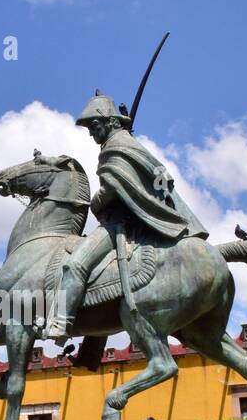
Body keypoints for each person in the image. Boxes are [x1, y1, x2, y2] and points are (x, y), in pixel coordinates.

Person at [42, 90, 208, 341]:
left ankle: (61, 323)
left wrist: (95, 201)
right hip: (138, 221)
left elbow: (113, 189)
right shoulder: (128, 144)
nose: (91, 132)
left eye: (94, 125)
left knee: (75, 264)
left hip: (119, 225)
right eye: (89, 127)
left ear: (110, 122)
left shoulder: (117, 146)